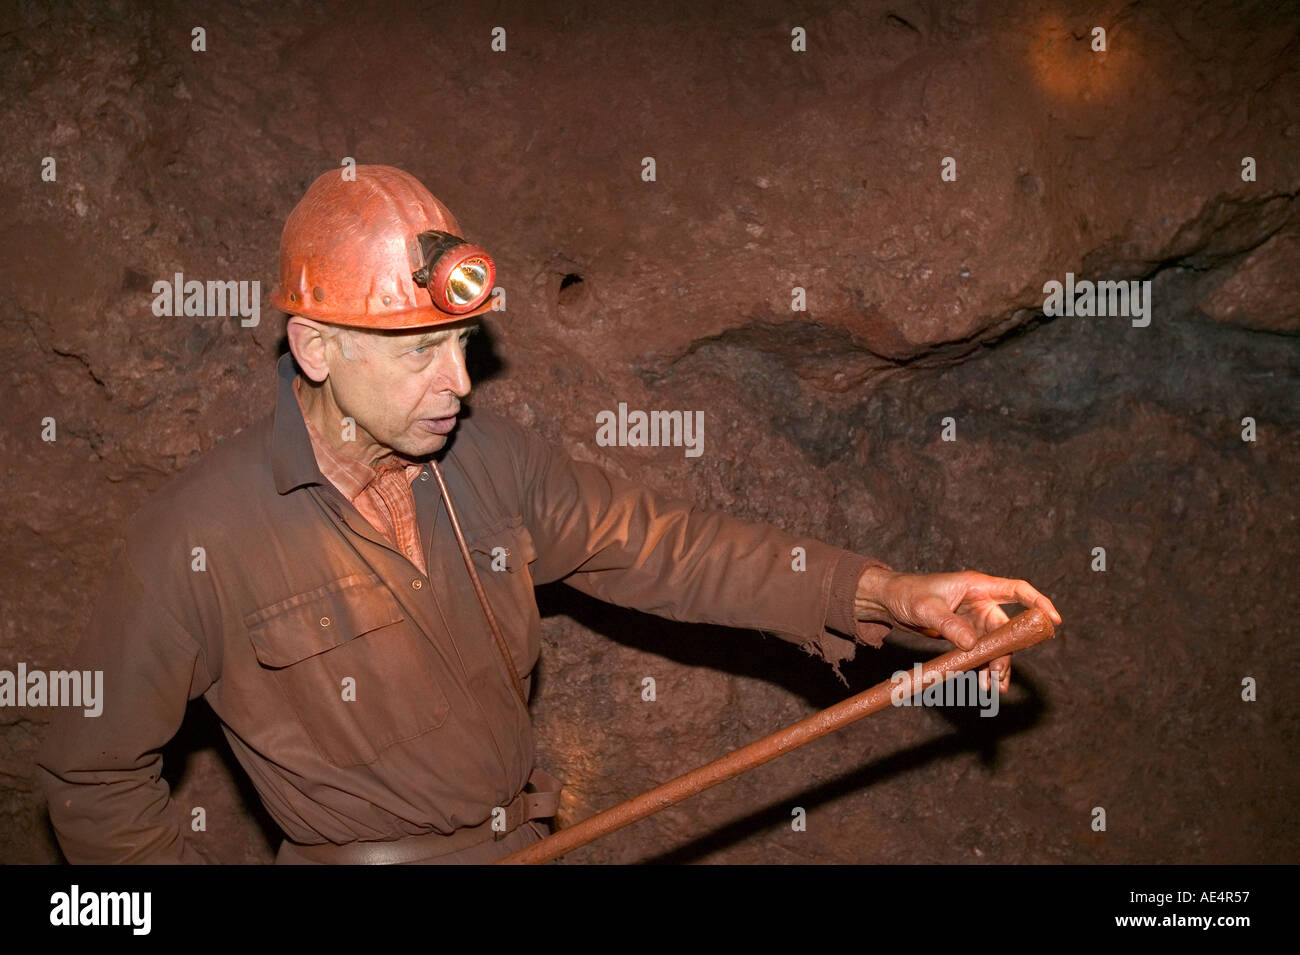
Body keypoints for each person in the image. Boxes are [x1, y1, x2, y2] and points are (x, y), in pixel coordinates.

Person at [35, 165, 1062, 864]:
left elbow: (672, 549)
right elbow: (89, 775)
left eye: (466, 344)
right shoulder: (195, 539)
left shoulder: (485, 464)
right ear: (313, 348)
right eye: (418, 351)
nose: (459, 382)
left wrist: (888, 591)